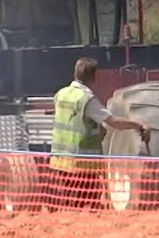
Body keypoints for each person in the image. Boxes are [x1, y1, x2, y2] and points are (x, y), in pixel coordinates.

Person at [48, 56, 151, 210]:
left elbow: (74, 121)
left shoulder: (61, 94)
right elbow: (113, 122)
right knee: (89, 202)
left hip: (61, 160)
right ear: (93, 77)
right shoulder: (86, 99)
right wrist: (138, 124)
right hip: (81, 163)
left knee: (71, 201)